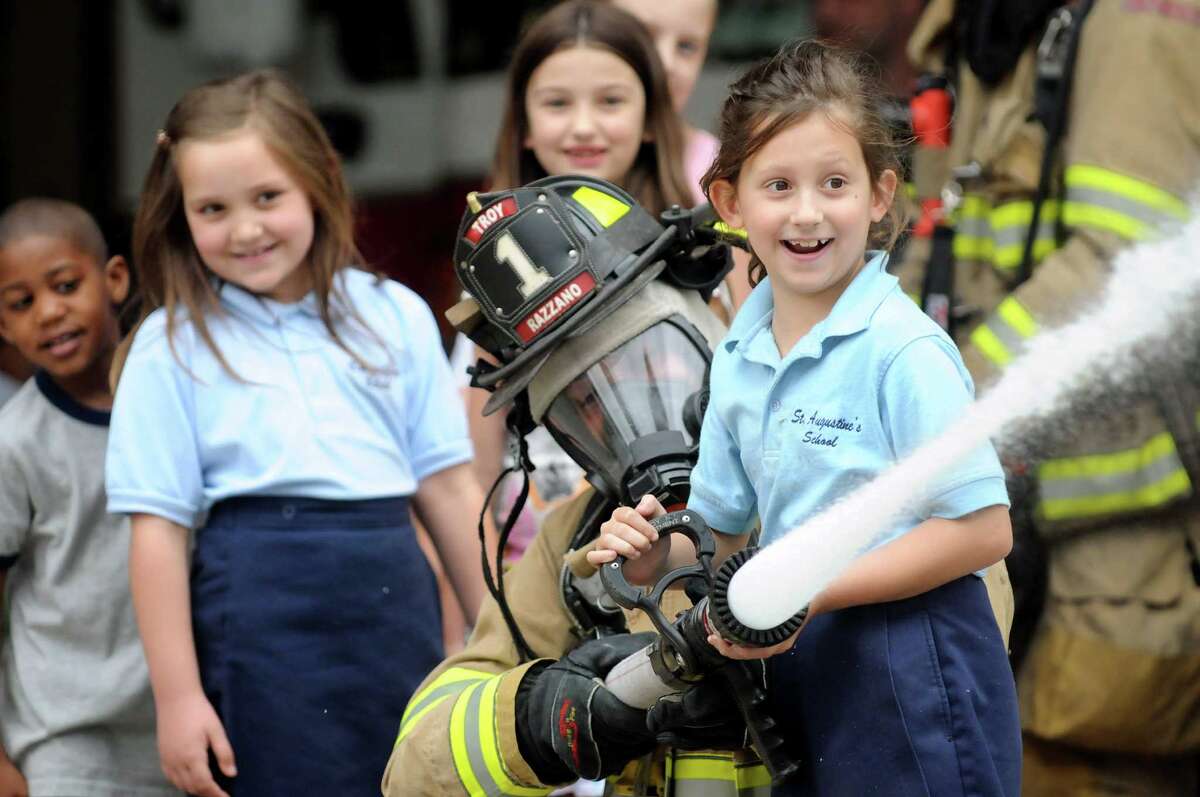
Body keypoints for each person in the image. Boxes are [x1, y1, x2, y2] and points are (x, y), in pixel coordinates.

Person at [590, 40, 1022, 795]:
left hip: (917, 659)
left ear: (882, 195)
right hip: (799, 658)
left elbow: (985, 530)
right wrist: (654, 559)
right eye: (779, 184)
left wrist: (814, 586)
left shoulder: (903, 349)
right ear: (730, 203)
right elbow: (721, 543)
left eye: (835, 182)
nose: (808, 211)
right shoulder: (739, 351)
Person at [104, 70, 489, 797]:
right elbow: (156, 532)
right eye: (212, 208)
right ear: (180, 213)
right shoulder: (170, 344)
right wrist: (178, 700)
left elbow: (446, 488)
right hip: (256, 621)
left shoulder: (395, 315)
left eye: (267, 197)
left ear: (318, 181)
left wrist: (500, 638)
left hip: (387, 609)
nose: (245, 229)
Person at [895, 1, 1200, 793]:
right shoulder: (984, 27)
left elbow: (1123, 260)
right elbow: (945, 236)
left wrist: (939, 409)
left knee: (1080, 753)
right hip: (1003, 523)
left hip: (1119, 549)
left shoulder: (1138, 21)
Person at [385, 175, 771, 796]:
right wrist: (541, 719)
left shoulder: (817, 477)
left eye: (652, 360)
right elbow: (413, 772)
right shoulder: (578, 545)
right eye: (584, 400)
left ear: (712, 329)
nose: (631, 415)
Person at [462, 0, 694, 566]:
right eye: (557, 103)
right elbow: (476, 474)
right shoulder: (496, 277)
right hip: (548, 571)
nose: (584, 125)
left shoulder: (704, 255)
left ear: (649, 117)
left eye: (611, 101)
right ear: (523, 123)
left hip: (690, 559)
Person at [0, 199, 177, 796]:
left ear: (115, 280)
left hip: (181, 722)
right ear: (3, 327)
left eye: (65, 285)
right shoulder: (14, 443)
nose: (48, 313)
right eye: (21, 304)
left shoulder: (174, 403)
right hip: (64, 743)